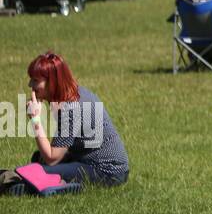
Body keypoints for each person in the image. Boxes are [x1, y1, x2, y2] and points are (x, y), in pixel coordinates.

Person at [12, 52, 129, 189]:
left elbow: (52, 158)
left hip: (107, 171)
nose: (30, 84)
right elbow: (58, 148)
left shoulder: (72, 107)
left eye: (36, 80)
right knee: (38, 159)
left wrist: (35, 119)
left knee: (37, 171)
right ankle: (59, 183)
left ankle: (23, 189)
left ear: (52, 82)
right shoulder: (70, 94)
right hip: (90, 160)